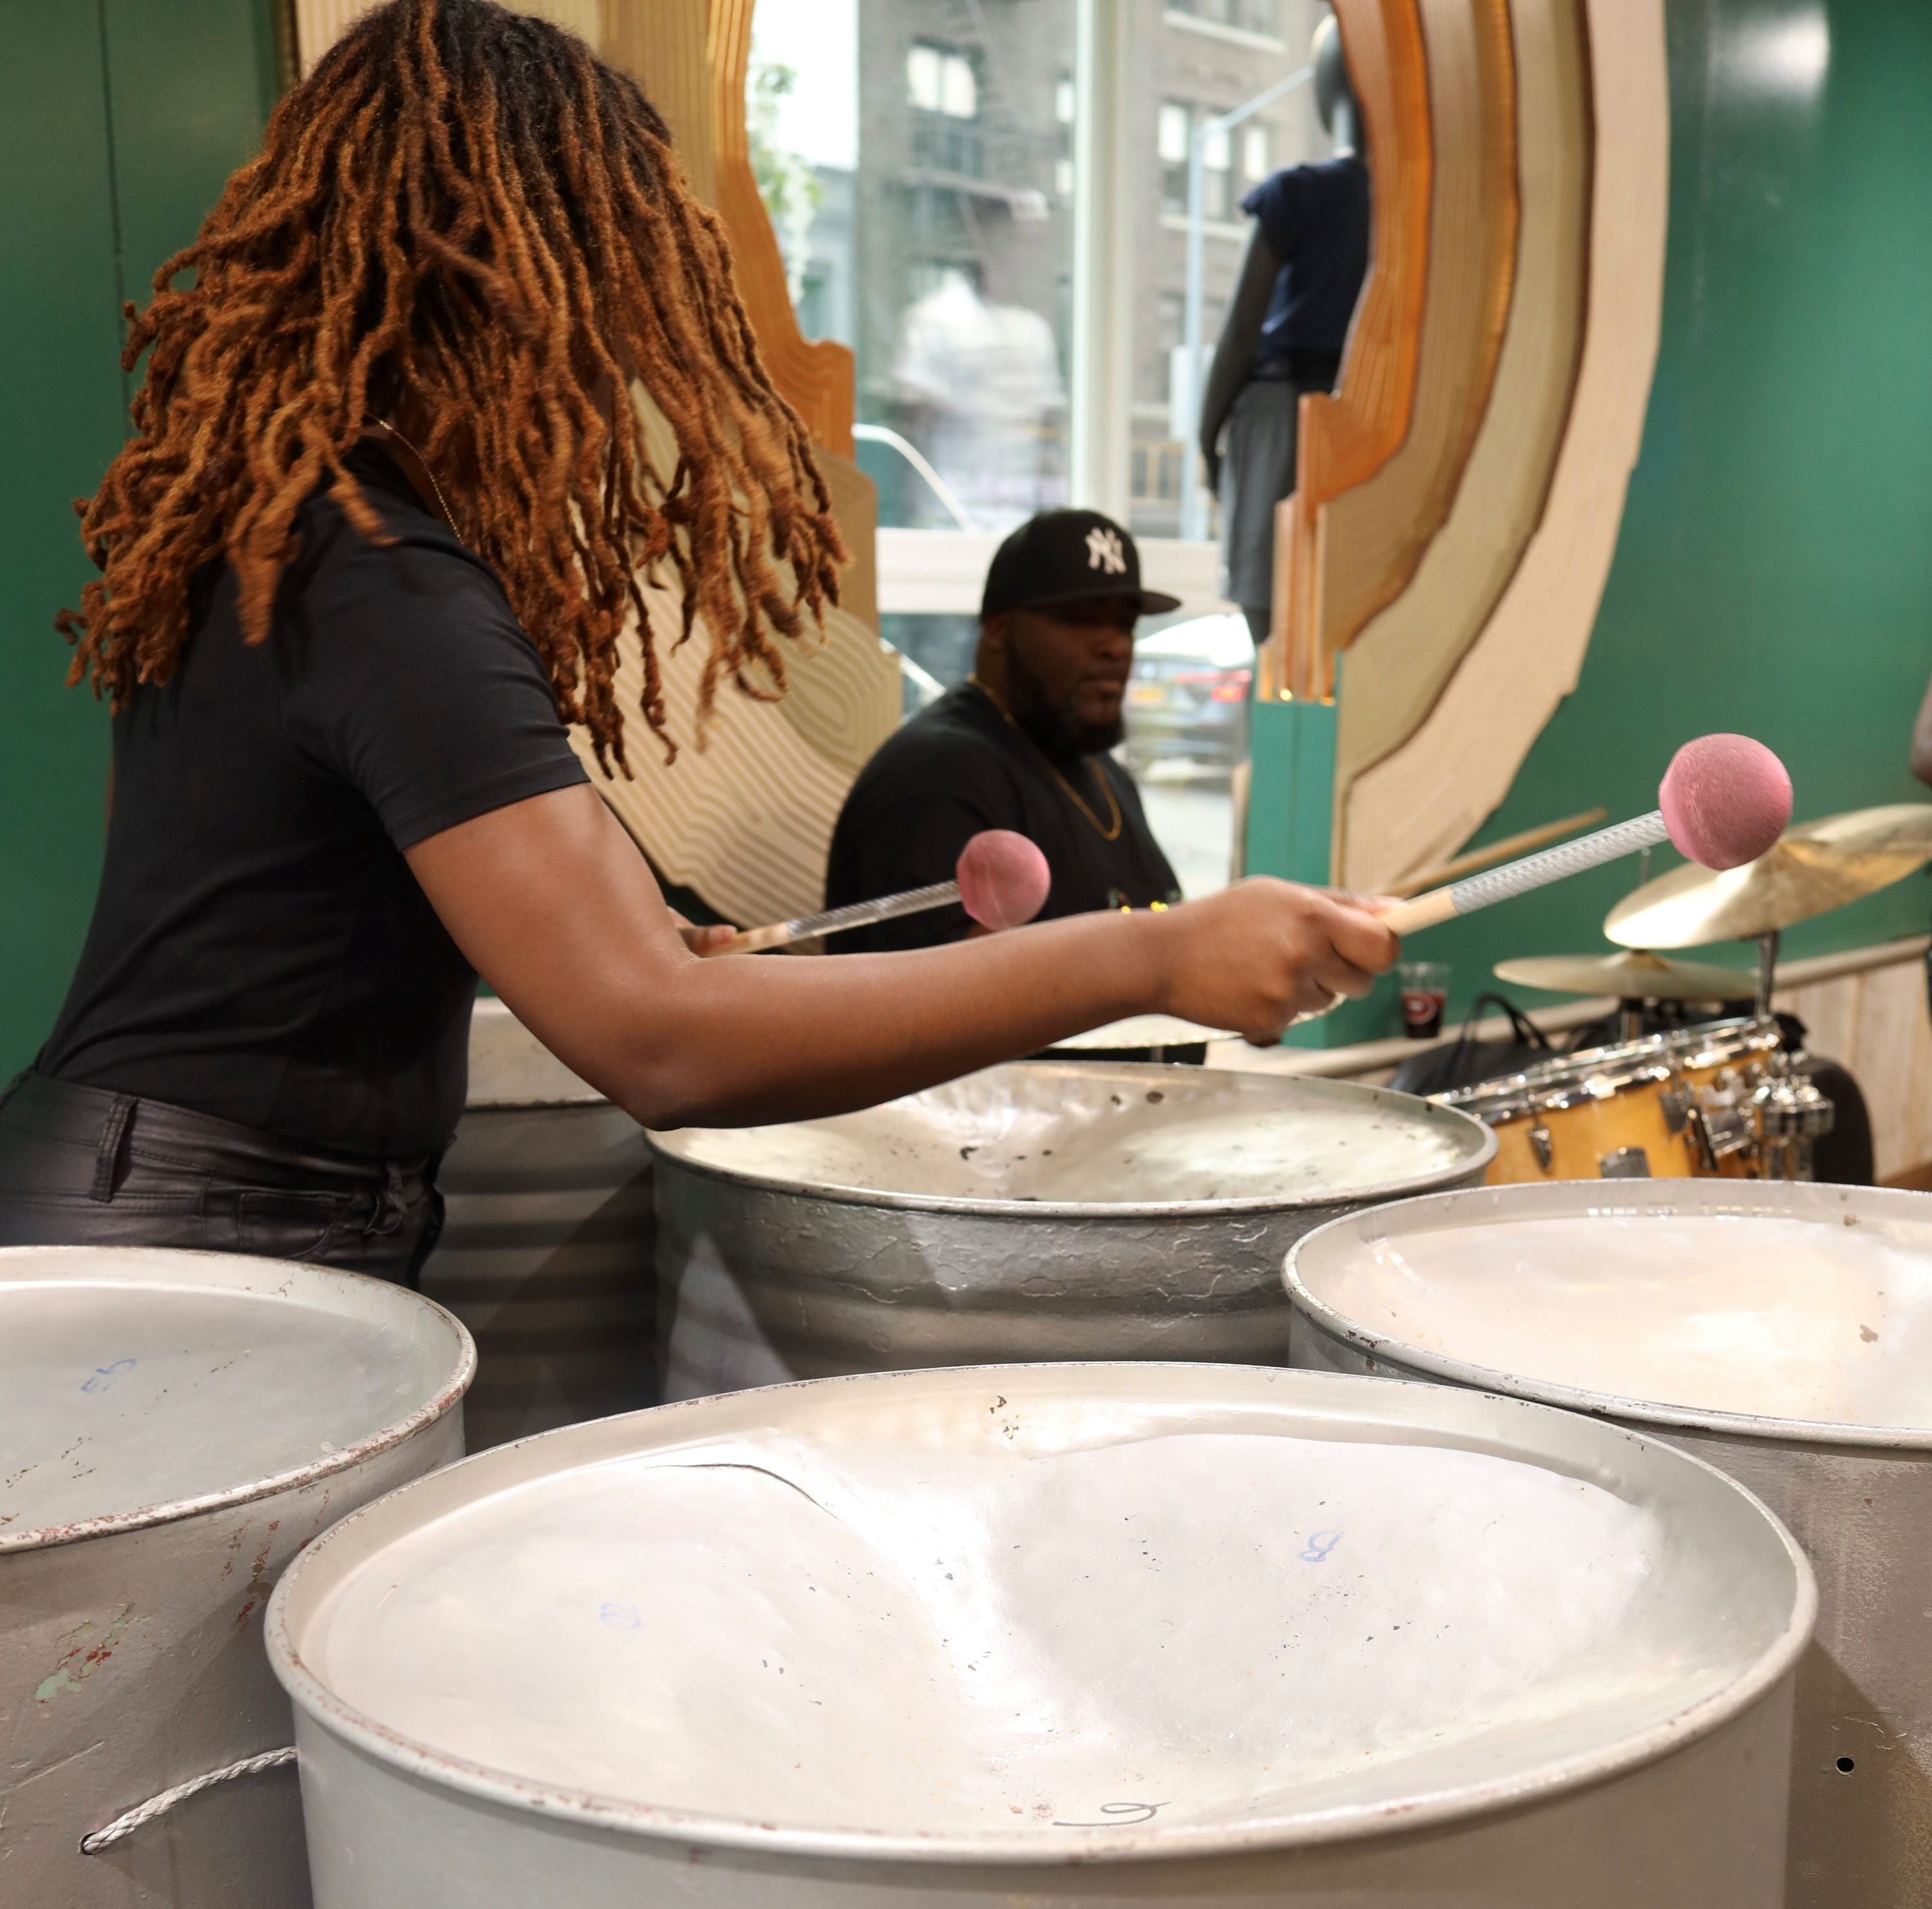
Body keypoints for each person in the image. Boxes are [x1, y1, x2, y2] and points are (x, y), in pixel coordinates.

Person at [1, 0, 1392, 1284]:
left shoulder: (292, 538)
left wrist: (621, 927)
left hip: (152, 1193)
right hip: (181, 1233)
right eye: (609, 302)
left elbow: (269, 908)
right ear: (515, 287)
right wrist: (1151, 961)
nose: (614, 370)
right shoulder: (379, 582)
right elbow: (659, 1044)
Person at [822, 509, 1182, 952]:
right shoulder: (935, 777)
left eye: (1125, 624)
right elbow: (946, 989)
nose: (1114, 646)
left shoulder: (1106, 774)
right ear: (998, 627)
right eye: (1079, 619)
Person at [1198, 13, 1369, 650]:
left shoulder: (1298, 193)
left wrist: (1206, 434)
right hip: (1368, 420)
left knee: (1269, 621)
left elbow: (1241, 330)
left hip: (1283, 413)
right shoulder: (1419, 205)